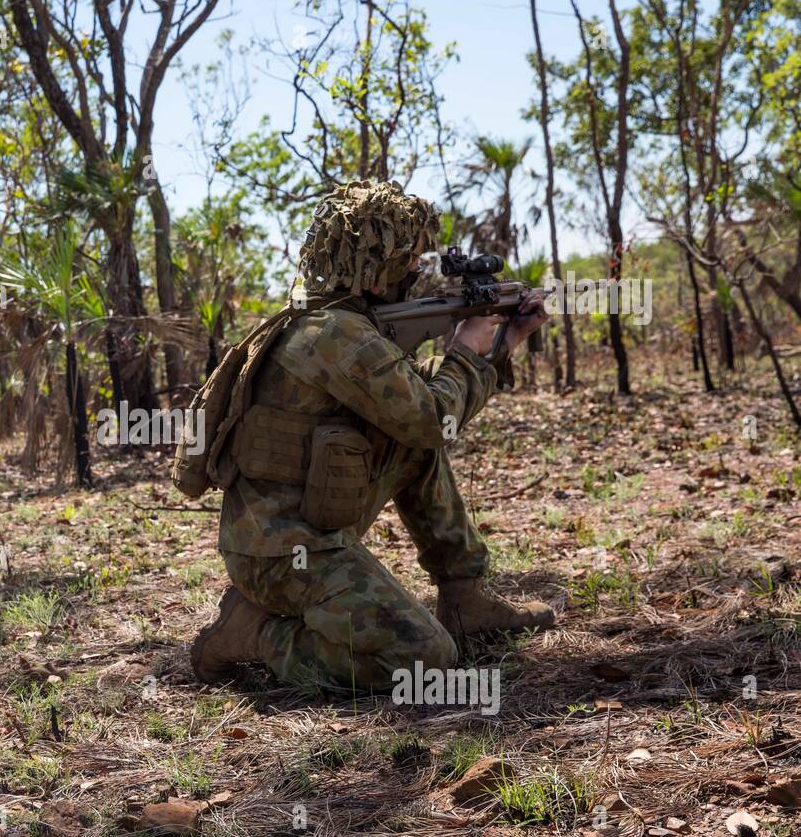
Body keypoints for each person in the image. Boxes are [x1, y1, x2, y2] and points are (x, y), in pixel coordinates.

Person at [190, 180, 553, 691]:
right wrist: (468, 352)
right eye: (407, 261)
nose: (415, 272)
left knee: (414, 445)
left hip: (305, 531)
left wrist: (500, 342)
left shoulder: (336, 323)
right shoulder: (336, 335)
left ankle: (464, 598)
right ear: (376, 266)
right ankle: (254, 635)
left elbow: (410, 405)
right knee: (425, 660)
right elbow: (431, 414)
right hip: (282, 553)